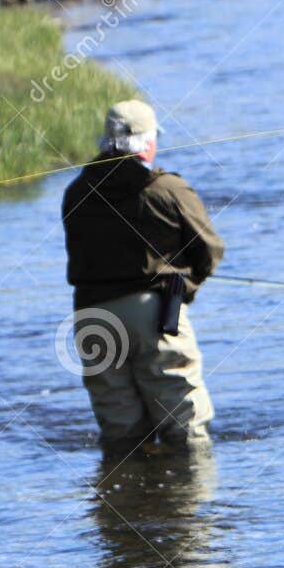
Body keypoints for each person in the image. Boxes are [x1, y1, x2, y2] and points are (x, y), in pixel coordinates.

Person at [61, 100, 225, 455]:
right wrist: (183, 289)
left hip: (93, 317)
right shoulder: (168, 189)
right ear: (148, 142)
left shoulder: (75, 191)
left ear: (107, 141)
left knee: (120, 429)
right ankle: (189, 503)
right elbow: (209, 250)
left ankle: (124, 502)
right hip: (154, 312)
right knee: (185, 424)